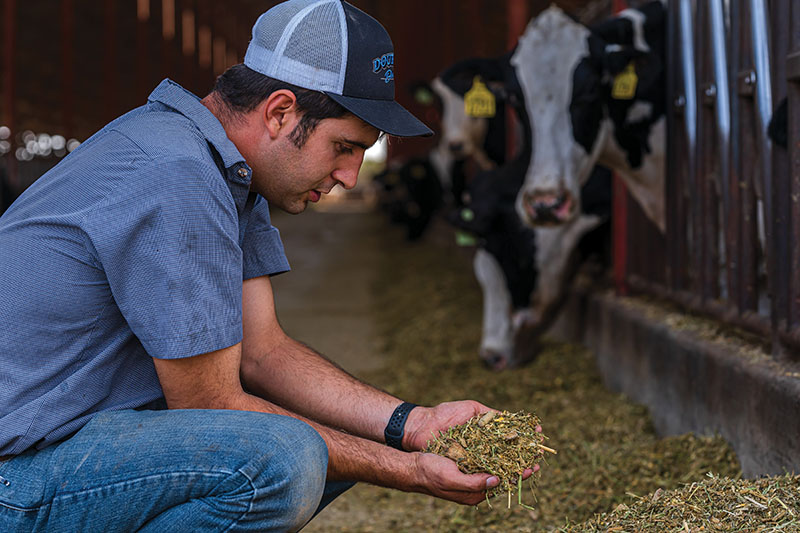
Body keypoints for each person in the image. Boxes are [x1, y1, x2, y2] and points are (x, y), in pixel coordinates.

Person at [0, 1, 534, 531]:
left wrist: (415, 426)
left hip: (73, 444)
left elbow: (262, 352)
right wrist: (409, 470)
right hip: (16, 472)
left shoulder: (227, 171)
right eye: (344, 147)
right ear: (280, 112)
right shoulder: (178, 174)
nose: (351, 176)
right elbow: (209, 407)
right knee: (282, 459)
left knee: (332, 436)